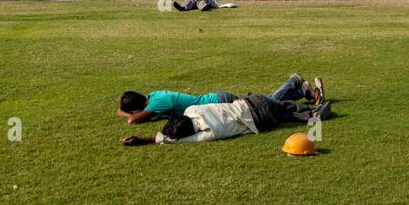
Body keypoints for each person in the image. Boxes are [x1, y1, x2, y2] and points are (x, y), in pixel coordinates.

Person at [122, 85, 332, 146]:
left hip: (257, 118)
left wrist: (147, 140)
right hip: (248, 101)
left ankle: (315, 111)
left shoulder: (209, 133)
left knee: (286, 112)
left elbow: (186, 139)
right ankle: (301, 90)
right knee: (282, 105)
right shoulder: (191, 111)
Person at [118, 75, 322, 125]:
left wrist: (128, 115)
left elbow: (132, 120)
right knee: (264, 102)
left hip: (218, 101)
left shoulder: (157, 103)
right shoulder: (153, 95)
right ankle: (299, 89)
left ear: (137, 108)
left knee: (263, 104)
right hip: (215, 98)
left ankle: (292, 83)